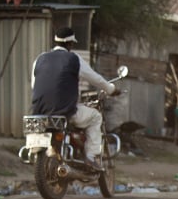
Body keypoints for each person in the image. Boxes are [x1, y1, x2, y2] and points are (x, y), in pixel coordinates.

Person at [31, 27, 118, 170]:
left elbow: (35, 86)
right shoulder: (73, 59)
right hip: (65, 112)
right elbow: (95, 79)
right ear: (70, 44)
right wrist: (111, 89)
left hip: (40, 112)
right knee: (96, 117)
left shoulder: (40, 59)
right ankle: (91, 157)